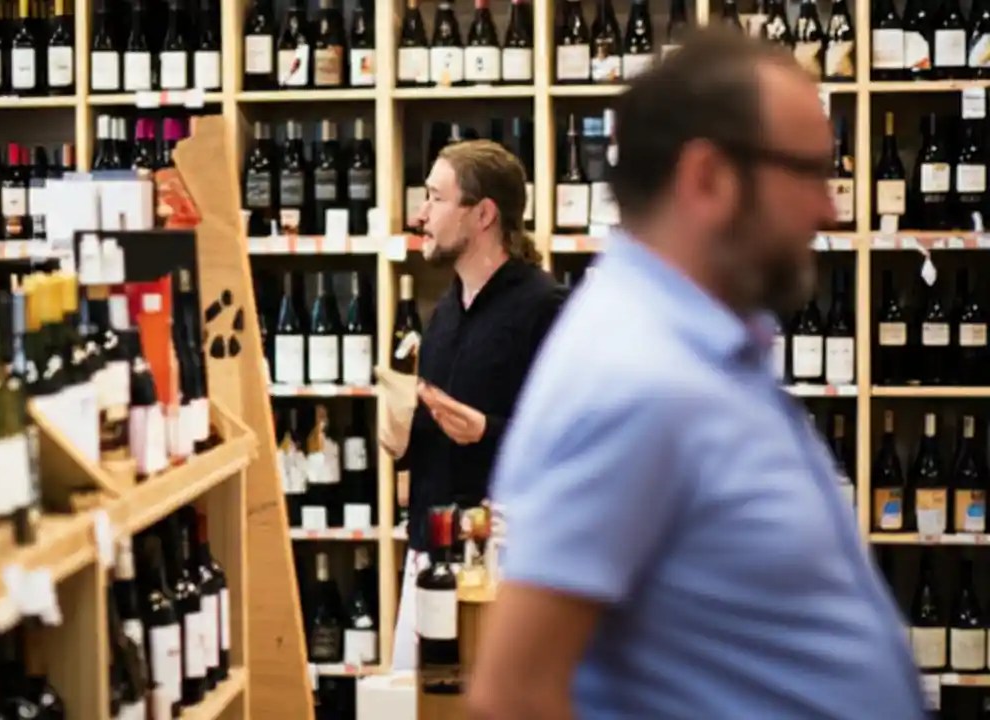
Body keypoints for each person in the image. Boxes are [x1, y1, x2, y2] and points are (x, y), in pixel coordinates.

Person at [468, 30, 924, 720]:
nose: (830, 208)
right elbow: (514, 696)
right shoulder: (632, 375)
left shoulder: (698, 349)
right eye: (808, 173)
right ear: (708, 178)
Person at [381, 139, 565, 671]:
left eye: (435, 198)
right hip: (429, 553)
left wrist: (487, 430)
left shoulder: (544, 307)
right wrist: (404, 438)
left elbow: (572, 442)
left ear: (483, 213)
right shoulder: (443, 313)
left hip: (503, 569)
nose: (420, 215)